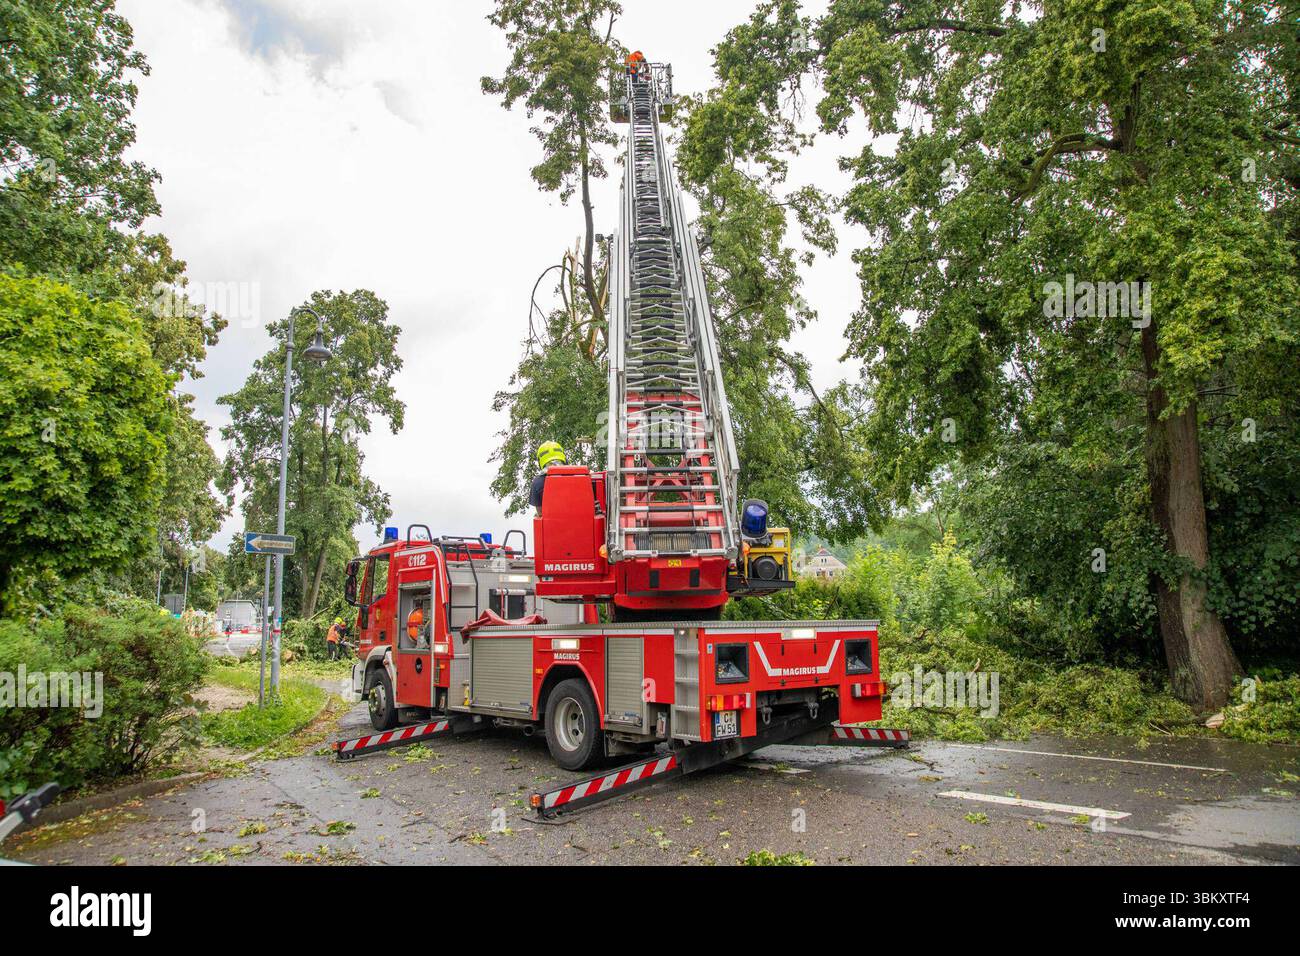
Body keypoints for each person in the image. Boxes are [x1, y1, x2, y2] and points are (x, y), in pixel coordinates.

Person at [529, 441, 567, 514]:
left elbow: (540, 513)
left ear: (541, 460)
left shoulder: (537, 483)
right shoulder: (581, 475)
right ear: (563, 456)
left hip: (553, 524)